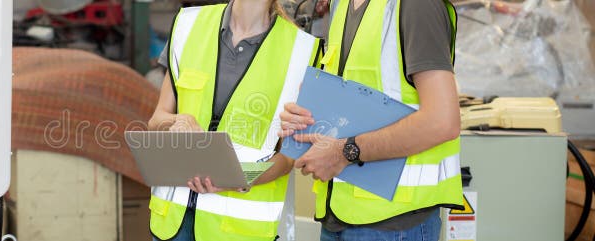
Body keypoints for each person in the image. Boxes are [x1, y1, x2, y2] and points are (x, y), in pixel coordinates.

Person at [279, 0, 464, 240]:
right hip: (339, 214)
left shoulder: (418, 6)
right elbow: (356, 98)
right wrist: (305, 114)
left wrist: (343, 152)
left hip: (396, 223)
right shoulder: (340, 4)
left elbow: (442, 122)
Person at [145, 0, 322, 240]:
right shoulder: (189, 24)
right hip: (171, 223)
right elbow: (156, 120)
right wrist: (177, 122)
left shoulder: (302, 50)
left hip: (237, 231)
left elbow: (289, 158)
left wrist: (237, 176)